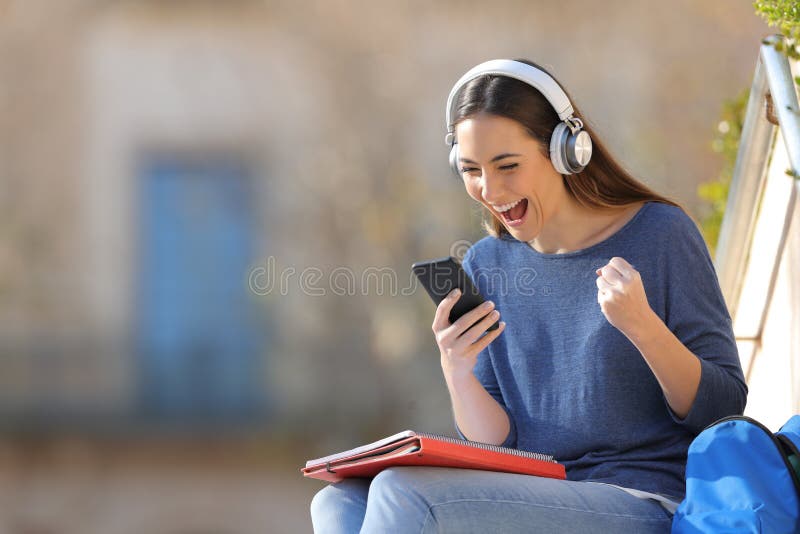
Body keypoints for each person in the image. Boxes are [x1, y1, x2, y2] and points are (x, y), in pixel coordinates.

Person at [309, 58, 747, 533]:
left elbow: (722, 408)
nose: (490, 189)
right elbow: (500, 444)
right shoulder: (487, 263)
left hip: (645, 499)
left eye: (508, 166)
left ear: (566, 151)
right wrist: (458, 374)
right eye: (472, 170)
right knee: (338, 503)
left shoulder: (661, 234)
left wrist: (643, 327)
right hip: (538, 492)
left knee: (403, 493)